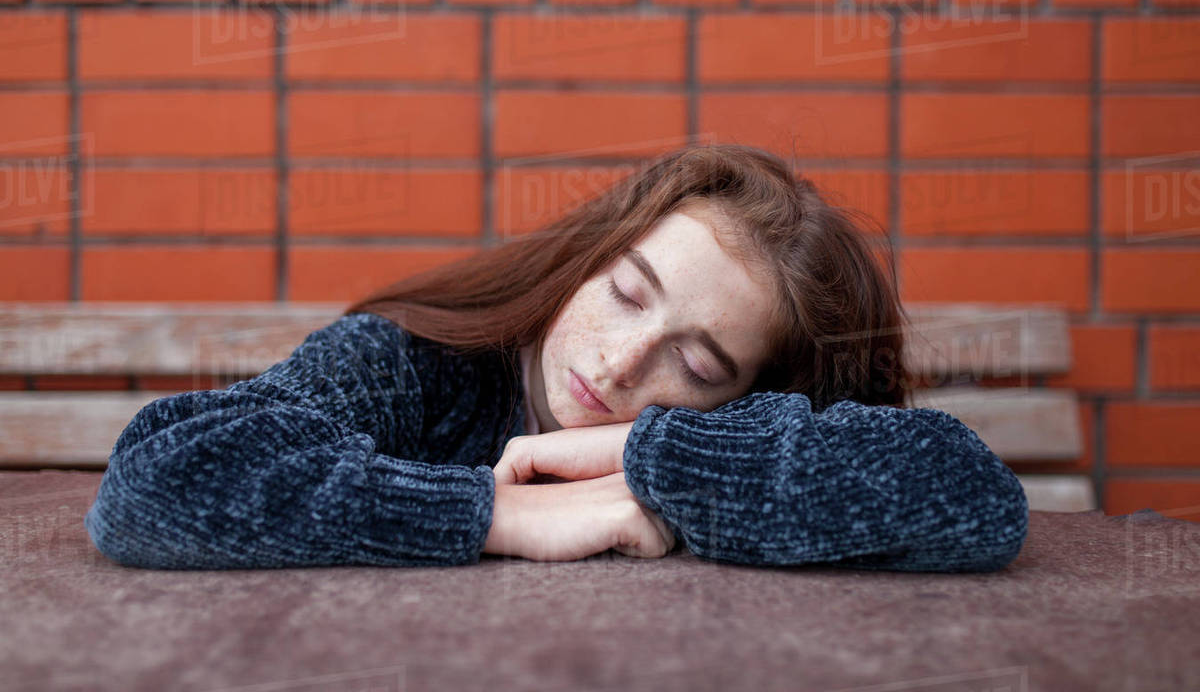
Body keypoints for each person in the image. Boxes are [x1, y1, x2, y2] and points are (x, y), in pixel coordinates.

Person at [84, 144, 1028, 572]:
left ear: (748, 393)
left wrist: (652, 459)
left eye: (696, 367)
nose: (619, 363)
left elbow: (970, 496)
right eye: (624, 292)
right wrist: (496, 513)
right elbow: (158, 481)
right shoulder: (417, 365)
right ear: (585, 259)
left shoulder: (722, 448)